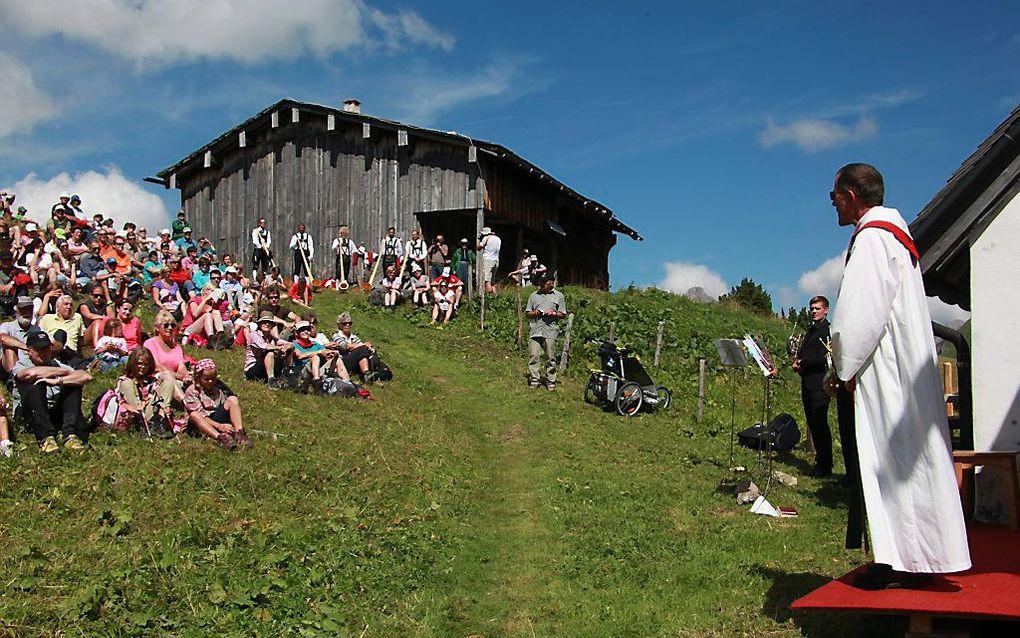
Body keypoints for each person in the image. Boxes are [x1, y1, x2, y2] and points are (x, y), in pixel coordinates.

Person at [827, 162, 970, 588]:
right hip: (902, 368)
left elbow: (860, 314)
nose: (831, 204)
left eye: (833, 195)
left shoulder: (872, 240)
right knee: (910, 460)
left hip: (885, 373)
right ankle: (915, 557)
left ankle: (902, 562)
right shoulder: (893, 238)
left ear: (851, 195)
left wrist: (841, 366)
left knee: (890, 461)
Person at [13, 330, 93, 453]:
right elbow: (30, 373)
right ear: (30, 350)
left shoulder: (55, 364)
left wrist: (59, 381)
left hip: (52, 412)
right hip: (30, 415)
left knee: (74, 384)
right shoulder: (22, 364)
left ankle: (69, 435)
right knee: (36, 384)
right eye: (40, 349)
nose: (45, 353)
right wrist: (64, 373)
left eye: (47, 348)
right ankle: (45, 438)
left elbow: (86, 376)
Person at [792, 295, 837, 477]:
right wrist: (798, 362)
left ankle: (825, 464)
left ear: (826, 310)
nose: (813, 312)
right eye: (812, 309)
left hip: (821, 383)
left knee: (820, 422)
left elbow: (822, 357)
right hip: (807, 381)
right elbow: (803, 352)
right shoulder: (811, 332)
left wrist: (802, 362)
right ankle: (820, 461)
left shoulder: (828, 331)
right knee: (812, 421)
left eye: (817, 309)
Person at [183, 359, 252, 450]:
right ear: (198, 378)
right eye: (206, 379)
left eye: (213, 379)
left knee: (233, 399)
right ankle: (220, 438)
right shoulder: (192, 391)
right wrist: (219, 426)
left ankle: (239, 432)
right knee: (194, 415)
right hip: (200, 423)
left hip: (215, 416)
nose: (210, 382)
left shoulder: (218, 388)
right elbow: (201, 415)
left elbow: (223, 405)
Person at [525, 274, 566, 390]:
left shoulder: (559, 296)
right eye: (540, 282)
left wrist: (554, 314)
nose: (541, 284)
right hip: (535, 330)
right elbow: (528, 313)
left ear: (551, 283)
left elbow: (562, 313)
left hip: (550, 330)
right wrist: (537, 312)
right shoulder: (533, 296)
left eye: (544, 282)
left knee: (551, 357)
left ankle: (551, 381)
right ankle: (534, 379)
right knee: (534, 355)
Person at [244, 311, 293, 387]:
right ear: (260, 324)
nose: (267, 324)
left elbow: (290, 345)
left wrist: (286, 347)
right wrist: (279, 348)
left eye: (269, 322)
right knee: (270, 353)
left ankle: (285, 374)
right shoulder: (253, 335)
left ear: (272, 326)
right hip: (253, 369)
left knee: (289, 350)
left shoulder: (273, 339)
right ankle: (271, 381)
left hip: (265, 370)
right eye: (264, 322)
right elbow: (264, 346)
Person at [477, 226, 501, 293]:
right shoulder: (498, 239)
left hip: (488, 260)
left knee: (487, 280)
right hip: (496, 260)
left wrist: (478, 239)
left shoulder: (486, 238)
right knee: (492, 282)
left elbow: (478, 247)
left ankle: (489, 296)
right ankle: (495, 297)